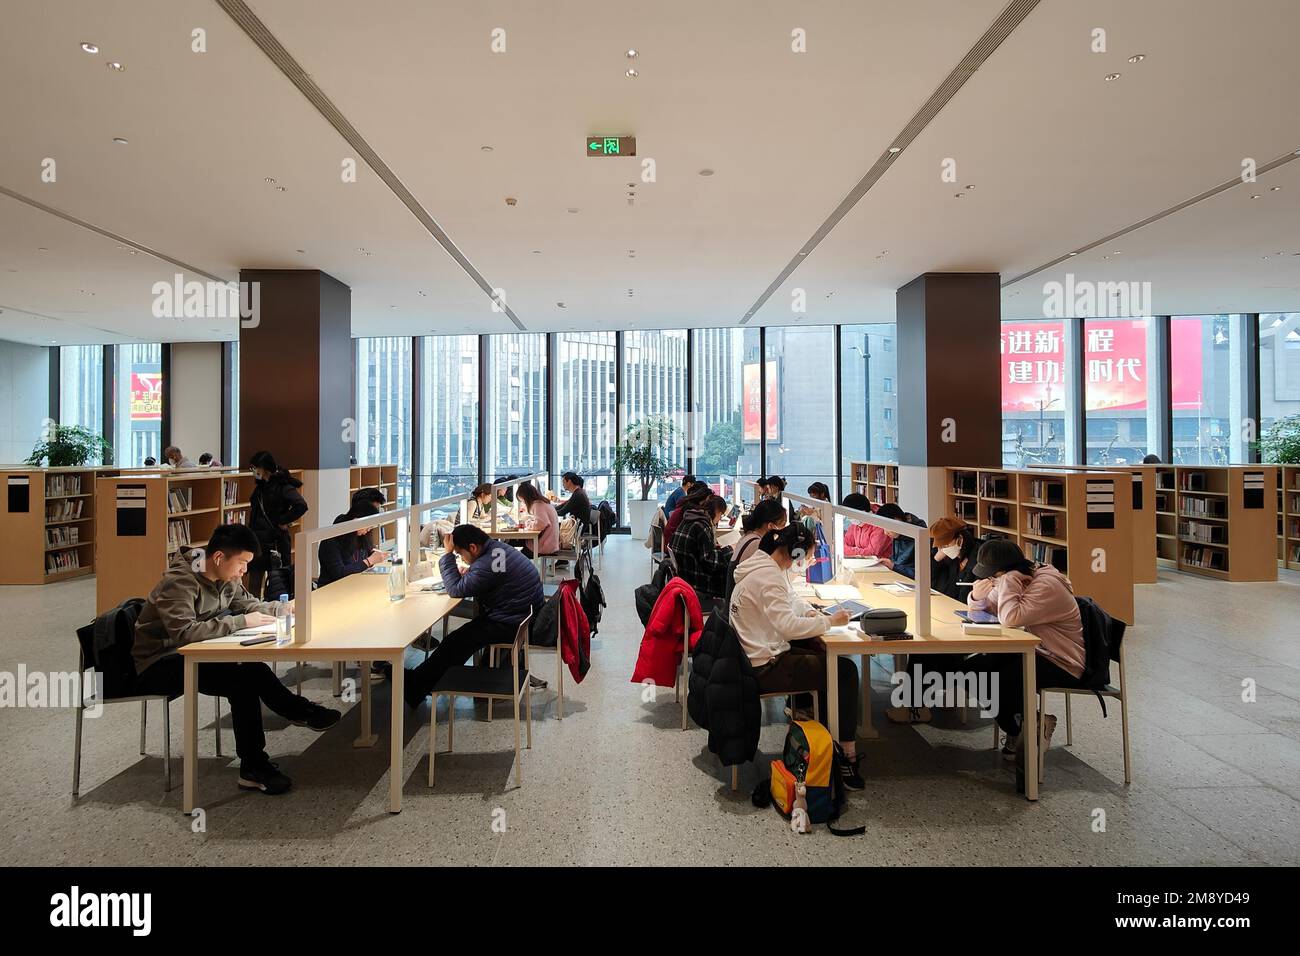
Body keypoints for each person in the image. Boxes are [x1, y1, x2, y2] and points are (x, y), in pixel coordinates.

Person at [132, 523, 341, 796]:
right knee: (242, 682)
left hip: (199, 651)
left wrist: (282, 608)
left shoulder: (225, 575)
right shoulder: (179, 582)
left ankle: (294, 717)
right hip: (160, 660)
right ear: (219, 557)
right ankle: (257, 764)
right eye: (241, 563)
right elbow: (184, 633)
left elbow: (248, 603)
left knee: (251, 669)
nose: (244, 571)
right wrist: (239, 622)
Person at [728, 522, 864, 789]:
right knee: (844, 671)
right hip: (765, 667)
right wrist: (830, 622)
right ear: (797, 553)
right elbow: (788, 626)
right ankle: (846, 754)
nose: (809, 561)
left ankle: (826, 738)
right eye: (809, 555)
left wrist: (811, 612)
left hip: (755, 655)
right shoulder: (769, 578)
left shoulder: (763, 566)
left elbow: (789, 599)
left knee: (823, 655)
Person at [403, 524, 544, 709]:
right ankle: (423, 682)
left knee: (455, 642)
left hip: (512, 622)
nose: (462, 559)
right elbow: (492, 574)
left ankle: (417, 687)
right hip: (521, 614)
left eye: (460, 554)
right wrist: (472, 572)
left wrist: (447, 556)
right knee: (458, 642)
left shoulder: (487, 562)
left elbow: (455, 590)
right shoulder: (497, 549)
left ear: (473, 547)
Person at [967, 538, 1083, 756]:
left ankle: (1027, 727)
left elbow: (1010, 617)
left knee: (1000, 678)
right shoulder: (1017, 578)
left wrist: (1008, 582)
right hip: (1033, 651)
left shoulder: (1046, 585)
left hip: (1060, 661)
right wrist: (976, 596)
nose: (992, 581)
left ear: (1009, 571)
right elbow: (988, 609)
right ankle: (1022, 726)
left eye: (994, 577)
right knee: (975, 670)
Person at [884, 515, 984, 725]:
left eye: (944, 544)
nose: (941, 548)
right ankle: (916, 703)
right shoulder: (944, 556)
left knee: (924, 647)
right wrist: (936, 558)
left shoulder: (978, 557)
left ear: (959, 540)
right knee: (922, 641)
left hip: (970, 620)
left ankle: (915, 706)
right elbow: (924, 579)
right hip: (946, 614)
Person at [247, 450, 309, 597]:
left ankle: (280, 609)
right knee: (255, 581)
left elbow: (301, 505)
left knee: (278, 581)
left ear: (263, 468)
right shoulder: (260, 488)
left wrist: (283, 520)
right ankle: (254, 609)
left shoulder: (282, 486)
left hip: (276, 542)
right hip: (258, 541)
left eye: (254, 468)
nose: (253, 471)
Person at [669, 493, 733, 608]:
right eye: (721, 515)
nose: (719, 520)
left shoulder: (690, 518)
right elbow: (711, 563)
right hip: (694, 581)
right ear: (718, 511)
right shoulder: (701, 525)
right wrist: (729, 550)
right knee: (731, 575)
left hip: (684, 575)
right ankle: (728, 613)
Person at [726, 497, 788, 600]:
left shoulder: (749, 535)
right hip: (740, 608)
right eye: (783, 525)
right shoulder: (757, 545)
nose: (784, 529)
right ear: (770, 526)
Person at [317, 498, 386, 587]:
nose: (368, 530)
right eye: (368, 526)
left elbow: (366, 553)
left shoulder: (360, 536)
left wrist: (375, 555)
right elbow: (339, 573)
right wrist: (369, 561)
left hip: (355, 585)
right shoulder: (331, 542)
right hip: (333, 589)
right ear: (356, 521)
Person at [873, 502, 927, 578]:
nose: (885, 533)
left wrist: (893, 566)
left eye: (886, 527)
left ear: (896, 520)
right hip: (898, 577)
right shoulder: (899, 533)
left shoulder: (919, 536)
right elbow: (896, 560)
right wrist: (888, 562)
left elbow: (922, 573)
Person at [553, 472, 592, 568]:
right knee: (556, 525)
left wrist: (549, 511)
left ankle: (560, 557)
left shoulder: (578, 494)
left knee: (553, 528)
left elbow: (563, 511)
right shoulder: (578, 492)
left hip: (577, 528)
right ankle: (562, 559)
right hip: (578, 525)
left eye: (563, 482)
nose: (563, 485)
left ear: (569, 481)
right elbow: (564, 505)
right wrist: (551, 509)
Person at [840, 493, 893, 560]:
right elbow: (843, 544)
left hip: (881, 564)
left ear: (862, 512)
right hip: (862, 561)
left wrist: (851, 550)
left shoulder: (879, 525)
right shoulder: (856, 524)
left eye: (850, 515)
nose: (848, 518)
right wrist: (858, 551)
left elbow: (872, 552)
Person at [516, 481, 559, 559]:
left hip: (545, 546)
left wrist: (527, 522)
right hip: (551, 543)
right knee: (517, 543)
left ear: (526, 497)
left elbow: (540, 524)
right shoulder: (542, 502)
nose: (523, 502)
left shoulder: (538, 505)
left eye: (522, 500)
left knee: (511, 545)